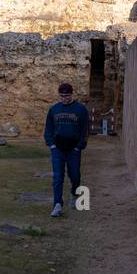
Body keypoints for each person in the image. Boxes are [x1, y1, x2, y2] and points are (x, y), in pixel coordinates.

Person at [43, 82, 90, 217]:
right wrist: (51, 144)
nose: (64, 98)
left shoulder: (80, 109)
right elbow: (49, 128)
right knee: (58, 177)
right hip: (57, 149)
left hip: (73, 149)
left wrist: (79, 147)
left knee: (75, 175)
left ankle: (75, 193)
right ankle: (57, 204)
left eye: (67, 96)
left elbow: (84, 130)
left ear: (72, 94)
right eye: (62, 96)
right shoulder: (54, 109)